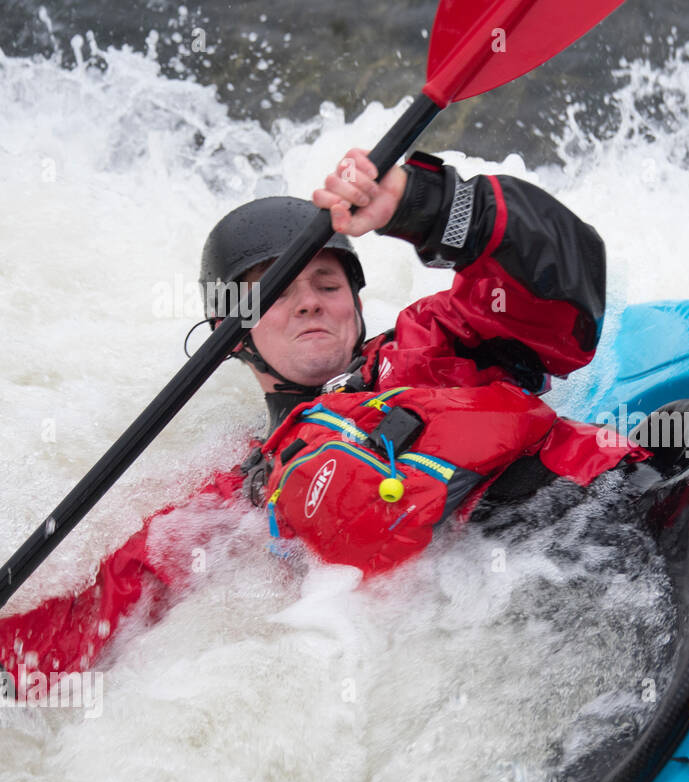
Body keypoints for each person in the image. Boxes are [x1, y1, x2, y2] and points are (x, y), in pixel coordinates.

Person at [0, 148, 647, 690]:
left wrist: (423, 203)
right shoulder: (235, 503)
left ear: (356, 305)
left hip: (606, 529)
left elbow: (567, 287)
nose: (309, 301)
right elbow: (89, 628)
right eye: (277, 292)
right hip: (511, 646)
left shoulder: (430, 345)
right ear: (234, 339)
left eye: (327, 284)